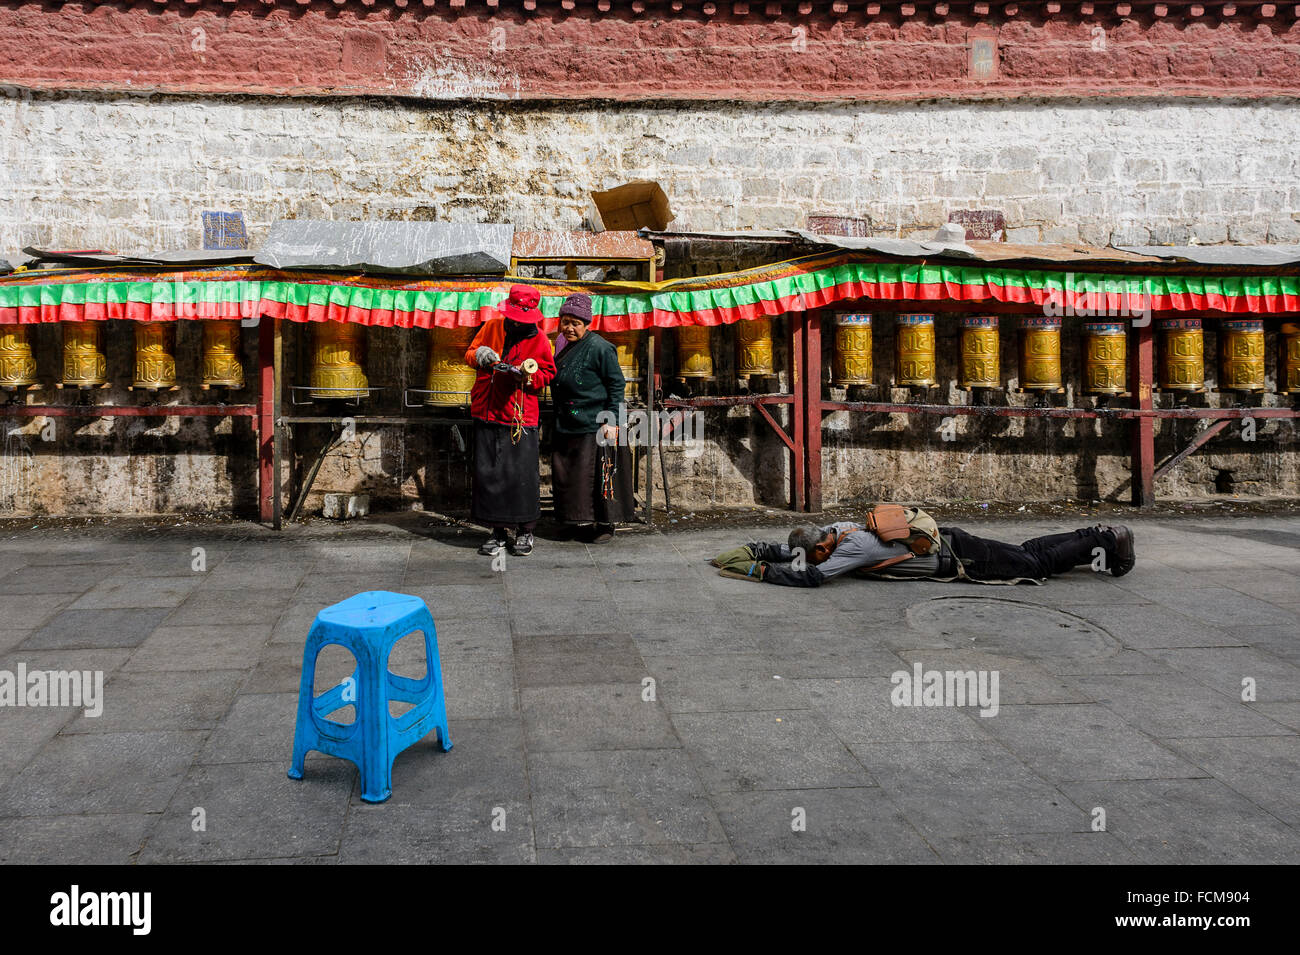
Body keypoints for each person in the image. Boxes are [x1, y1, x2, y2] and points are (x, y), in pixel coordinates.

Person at [712, 513, 1135, 587]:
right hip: (955, 540)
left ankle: (1105, 541)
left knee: (1035, 565)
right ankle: (1093, 534)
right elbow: (803, 556)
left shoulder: (850, 548)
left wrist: (761, 571)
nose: (818, 557)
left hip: (962, 558)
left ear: (822, 547)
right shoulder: (837, 528)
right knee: (1025, 550)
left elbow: (811, 577)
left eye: (816, 553)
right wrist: (760, 549)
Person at [464, 284, 556, 557]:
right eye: (513, 318)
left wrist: (527, 377)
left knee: (520, 476)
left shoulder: (539, 338)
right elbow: (470, 353)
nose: (516, 323)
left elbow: (548, 373)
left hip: (519, 416)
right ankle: (498, 532)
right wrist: (479, 356)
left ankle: (525, 531)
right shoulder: (491, 327)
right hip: (487, 410)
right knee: (489, 473)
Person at [548, 293, 635, 543]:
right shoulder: (562, 344)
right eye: (565, 321)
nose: (569, 328)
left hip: (595, 423)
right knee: (570, 477)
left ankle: (606, 525)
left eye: (575, 323)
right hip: (567, 421)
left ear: (587, 324)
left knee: (599, 477)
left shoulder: (601, 348)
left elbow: (616, 385)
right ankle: (575, 521)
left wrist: (612, 421)